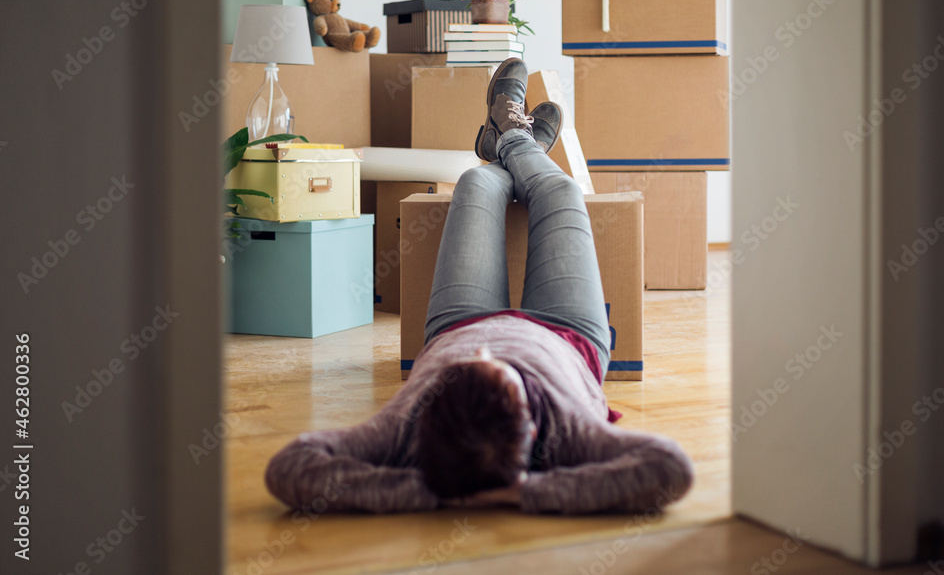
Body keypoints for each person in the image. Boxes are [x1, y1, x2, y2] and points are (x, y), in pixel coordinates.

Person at [265, 59, 693, 514]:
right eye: (503, 374)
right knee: (559, 190)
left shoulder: (407, 426)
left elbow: (290, 469)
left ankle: (506, 143)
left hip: (459, 326)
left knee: (475, 182)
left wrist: (431, 491)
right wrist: (521, 493)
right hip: (567, 337)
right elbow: (669, 467)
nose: (487, 351)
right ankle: (520, 143)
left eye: (465, 369)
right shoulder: (569, 434)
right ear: (532, 429)